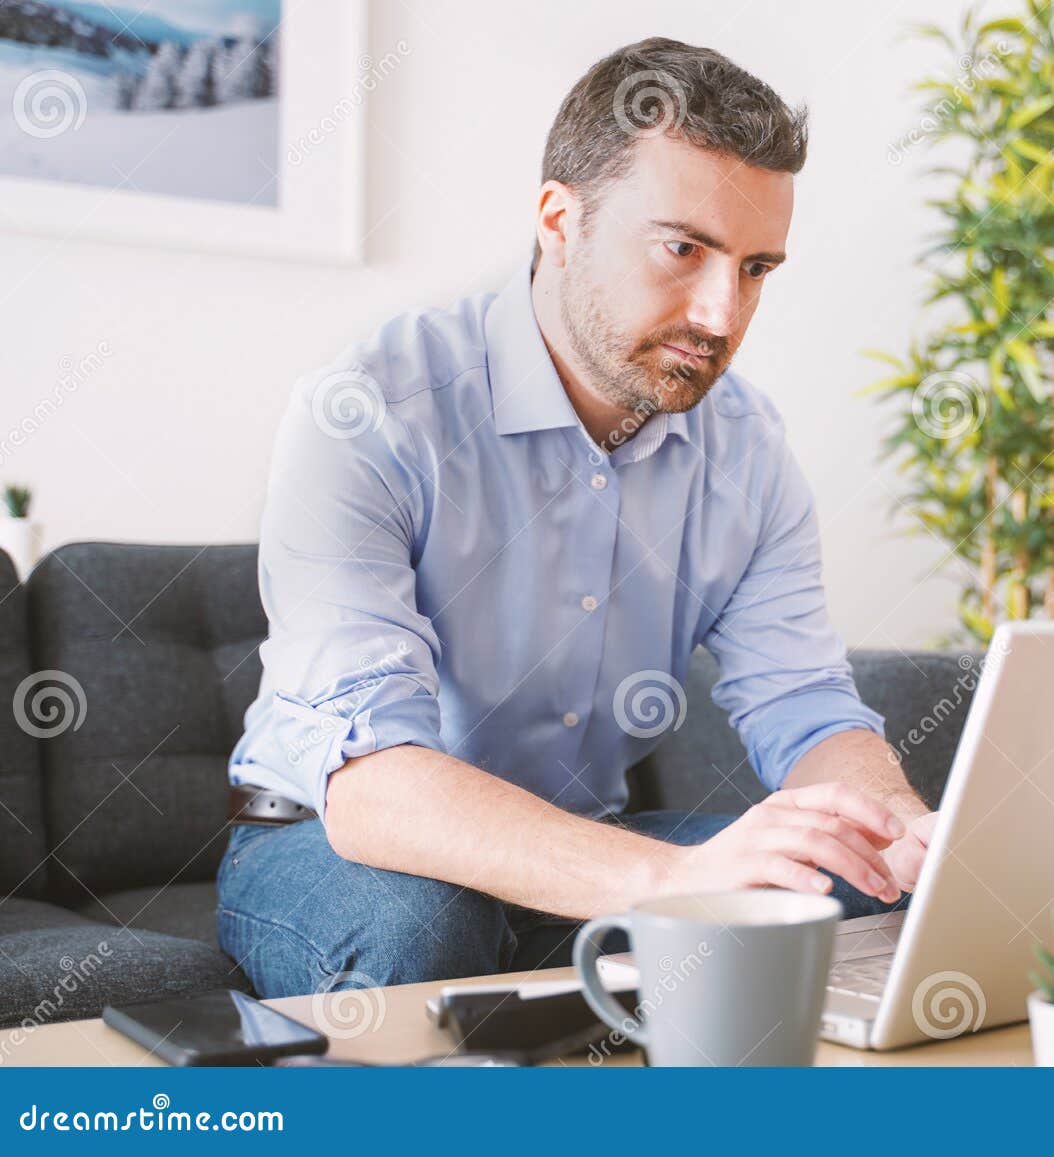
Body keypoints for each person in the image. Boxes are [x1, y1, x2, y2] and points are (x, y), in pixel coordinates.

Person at [217, 37, 939, 998]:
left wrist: (896, 827)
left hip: (587, 845)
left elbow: (802, 702)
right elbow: (375, 788)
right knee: (424, 929)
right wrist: (673, 883)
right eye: (685, 248)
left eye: (757, 266)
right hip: (330, 842)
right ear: (560, 219)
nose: (724, 315)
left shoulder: (748, 450)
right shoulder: (369, 412)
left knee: (858, 890)